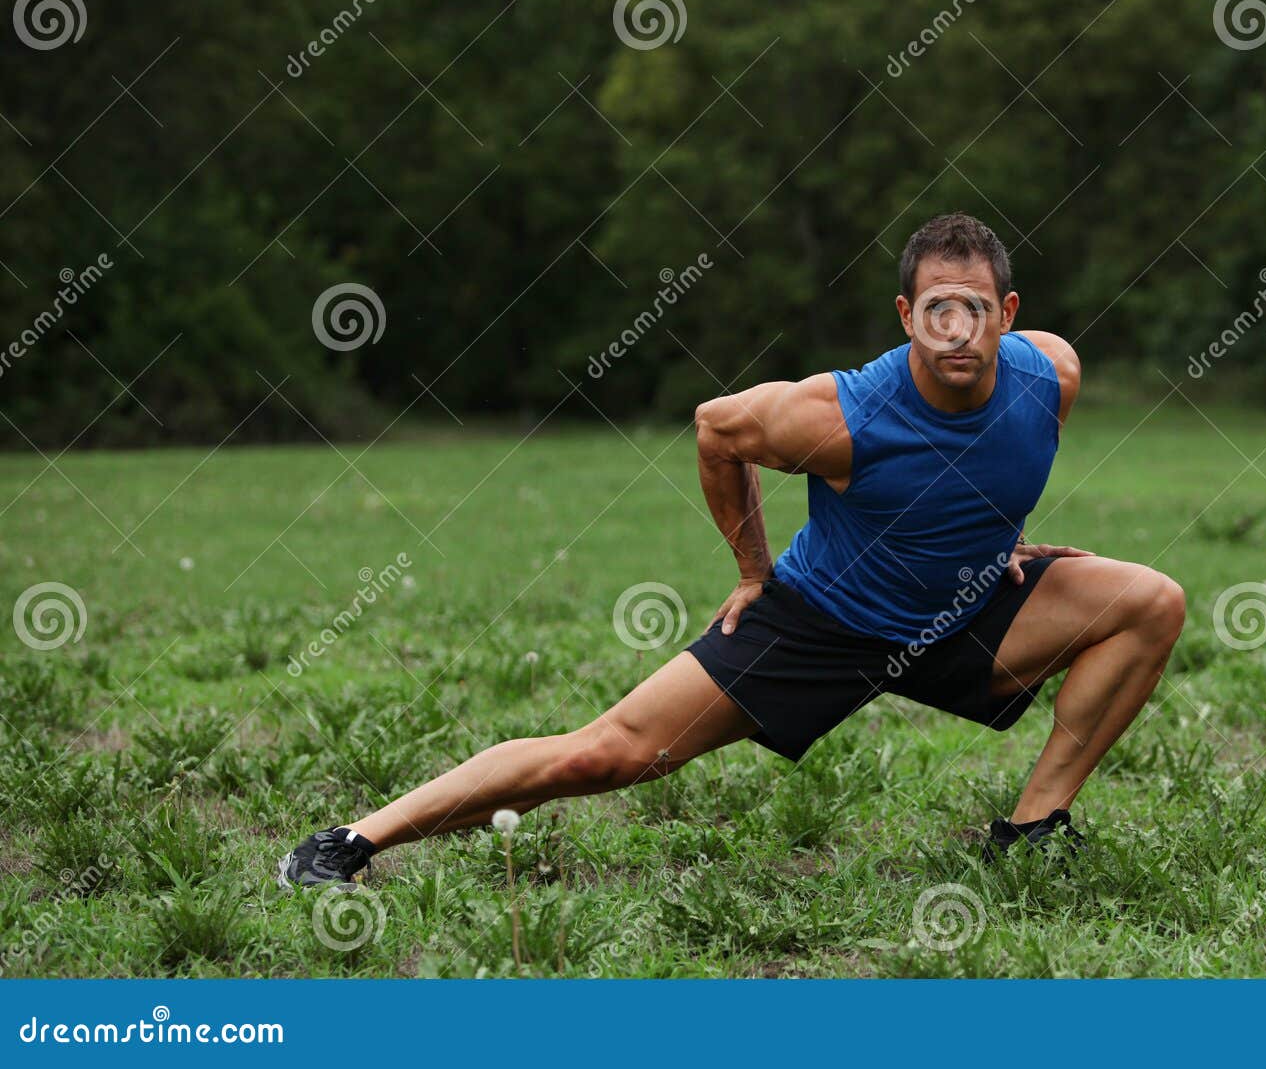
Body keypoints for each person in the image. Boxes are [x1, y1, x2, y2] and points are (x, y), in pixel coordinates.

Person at [278, 213, 1185, 887]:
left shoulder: (1050, 372)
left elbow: (1010, 454)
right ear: (907, 313)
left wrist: (1004, 537)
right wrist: (753, 569)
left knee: (1151, 600)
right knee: (605, 756)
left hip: (966, 610)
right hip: (822, 622)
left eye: (977, 310)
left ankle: (1029, 830)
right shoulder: (840, 416)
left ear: (1009, 311)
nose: (958, 332)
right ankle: (352, 840)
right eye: (938, 310)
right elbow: (715, 430)